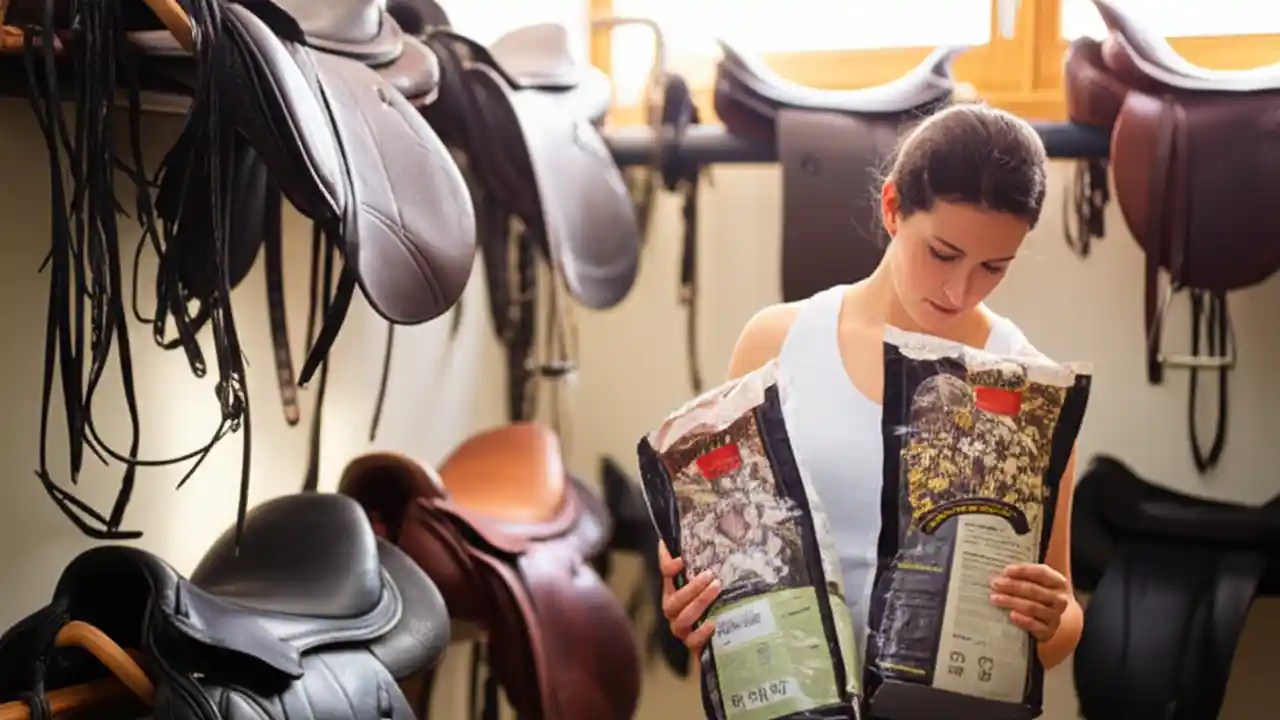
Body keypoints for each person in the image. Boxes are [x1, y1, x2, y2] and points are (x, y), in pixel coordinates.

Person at [657, 103, 1084, 674]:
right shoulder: (775, 343)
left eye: (994, 267)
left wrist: (1051, 620)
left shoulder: (1031, 392)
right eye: (942, 254)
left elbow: (1062, 621)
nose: (959, 291)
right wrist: (697, 605)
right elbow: (719, 564)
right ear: (892, 209)